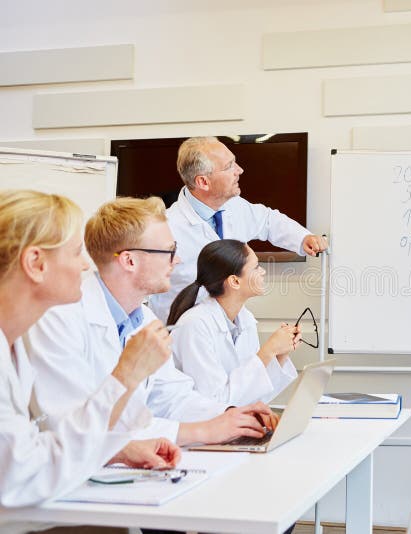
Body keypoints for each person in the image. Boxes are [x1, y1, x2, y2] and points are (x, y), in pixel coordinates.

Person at [27, 197, 279, 449]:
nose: (177, 260)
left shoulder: (144, 319)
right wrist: (201, 431)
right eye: (170, 251)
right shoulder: (59, 320)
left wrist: (230, 414)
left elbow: (170, 397)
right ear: (129, 261)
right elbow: (73, 429)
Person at [0, 190, 178, 508]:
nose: (85, 265)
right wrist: (126, 374)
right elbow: (19, 479)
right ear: (36, 263)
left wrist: (116, 450)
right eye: (74, 253)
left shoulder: (12, 347)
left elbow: (27, 448)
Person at [147, 136, 328, 321]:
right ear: (203, 182)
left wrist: (303, 238)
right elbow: (143, 286)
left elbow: (268, 221)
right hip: (181, 331)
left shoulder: (235, 206)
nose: (240, 170)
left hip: (227, 325)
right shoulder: (164, 228)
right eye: (229, 166)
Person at [167, 239, 300, 405]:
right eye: (256, 267)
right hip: (197, 419)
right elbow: (214, 403)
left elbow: (252, 394)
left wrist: (279, 354)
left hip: (232, 418)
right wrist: (268, 350)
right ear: (235, 281)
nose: (263, 271)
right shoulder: (194, 325)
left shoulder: (245, 319)